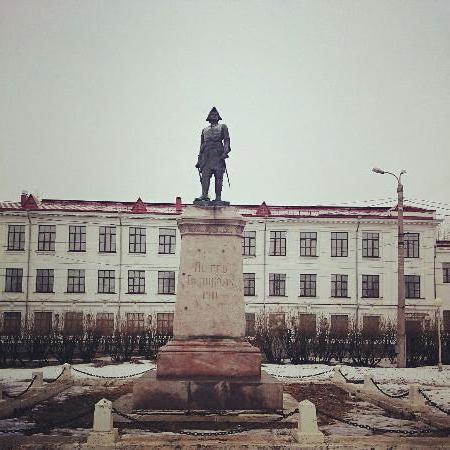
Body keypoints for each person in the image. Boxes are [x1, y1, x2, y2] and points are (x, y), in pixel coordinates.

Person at [194, 107, 230, 204]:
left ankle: (218, 197)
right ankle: (204, 195)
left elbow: (226, 140)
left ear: (218, 117)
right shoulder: (204, 130)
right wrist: (199, 159)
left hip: (218, 152)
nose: (213, 116)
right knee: (205, 176)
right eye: (212, 115)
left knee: (218, 176)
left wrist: (225, 152)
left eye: (215, 114)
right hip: (206, 154)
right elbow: (201, 145)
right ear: (208, 117)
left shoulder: (223, 127)